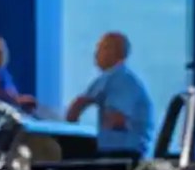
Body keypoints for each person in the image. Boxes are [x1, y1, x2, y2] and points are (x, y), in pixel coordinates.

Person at [66, 32, 155, 162]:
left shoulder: (123, 79)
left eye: (100, 49)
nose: (95, 54)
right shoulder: (107, 77)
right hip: (112, 150)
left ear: (113, 51)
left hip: (125, 153)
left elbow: (117, 120)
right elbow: (80, 103)